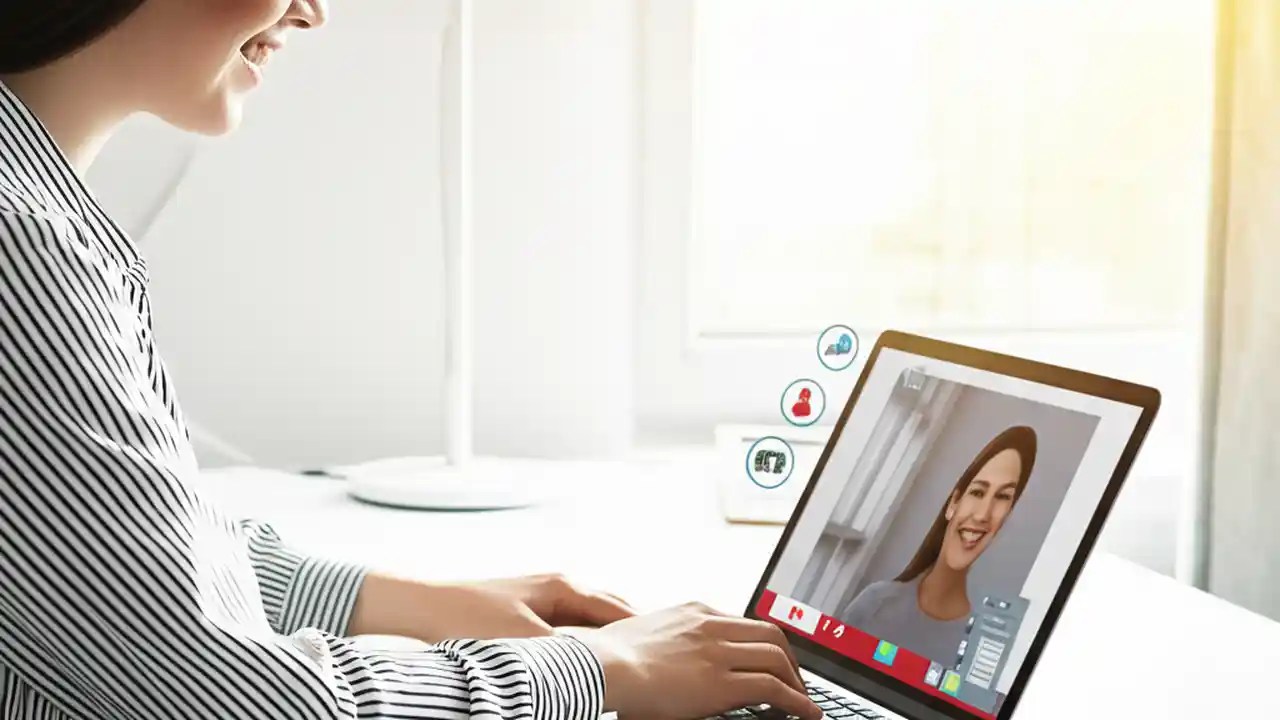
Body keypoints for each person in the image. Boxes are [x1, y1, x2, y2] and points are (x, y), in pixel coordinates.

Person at [0, 3, 823, 719]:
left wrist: (414, 602)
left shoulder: (42, 218)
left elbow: (111, 559)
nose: (311, 11)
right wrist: (602, 669)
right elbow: (228, 697)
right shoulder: (26, 249)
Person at [837, 426, 1038, 665]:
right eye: (977, 492)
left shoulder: (981, 650)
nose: (983, 514)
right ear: (953, 504)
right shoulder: (874, 602)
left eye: (1003, 497)